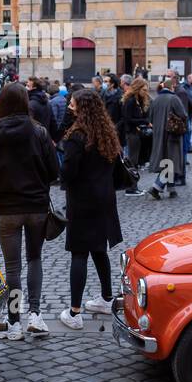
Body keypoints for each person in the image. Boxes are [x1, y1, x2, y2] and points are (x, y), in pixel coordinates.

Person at [0, 82, 58, 339]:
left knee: (13, 266)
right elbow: (54, 171)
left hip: (7, 208)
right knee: (35, 259)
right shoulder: (39, 132)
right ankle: (36, 315)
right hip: (37, 206)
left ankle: (14, 322)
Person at [57, 90, 122, 330]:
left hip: (83, 200)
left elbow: (68, 172)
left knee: (79, 252)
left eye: (72, 104)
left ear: (80, 108)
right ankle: (106, 298)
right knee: (99, 249)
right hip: (104, 197)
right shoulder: (106, 131)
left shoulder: (77, 136)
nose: (69, 106)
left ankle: (74, 312)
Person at [147, 77, 189, 200]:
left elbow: (150, 118)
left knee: (167, 161)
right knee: (171, 161)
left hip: (158, 135)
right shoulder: (174, 98)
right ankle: (156, 187)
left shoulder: (156, 99)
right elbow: (183, 115)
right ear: (172, 87)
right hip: (172, 135)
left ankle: (171, 189)